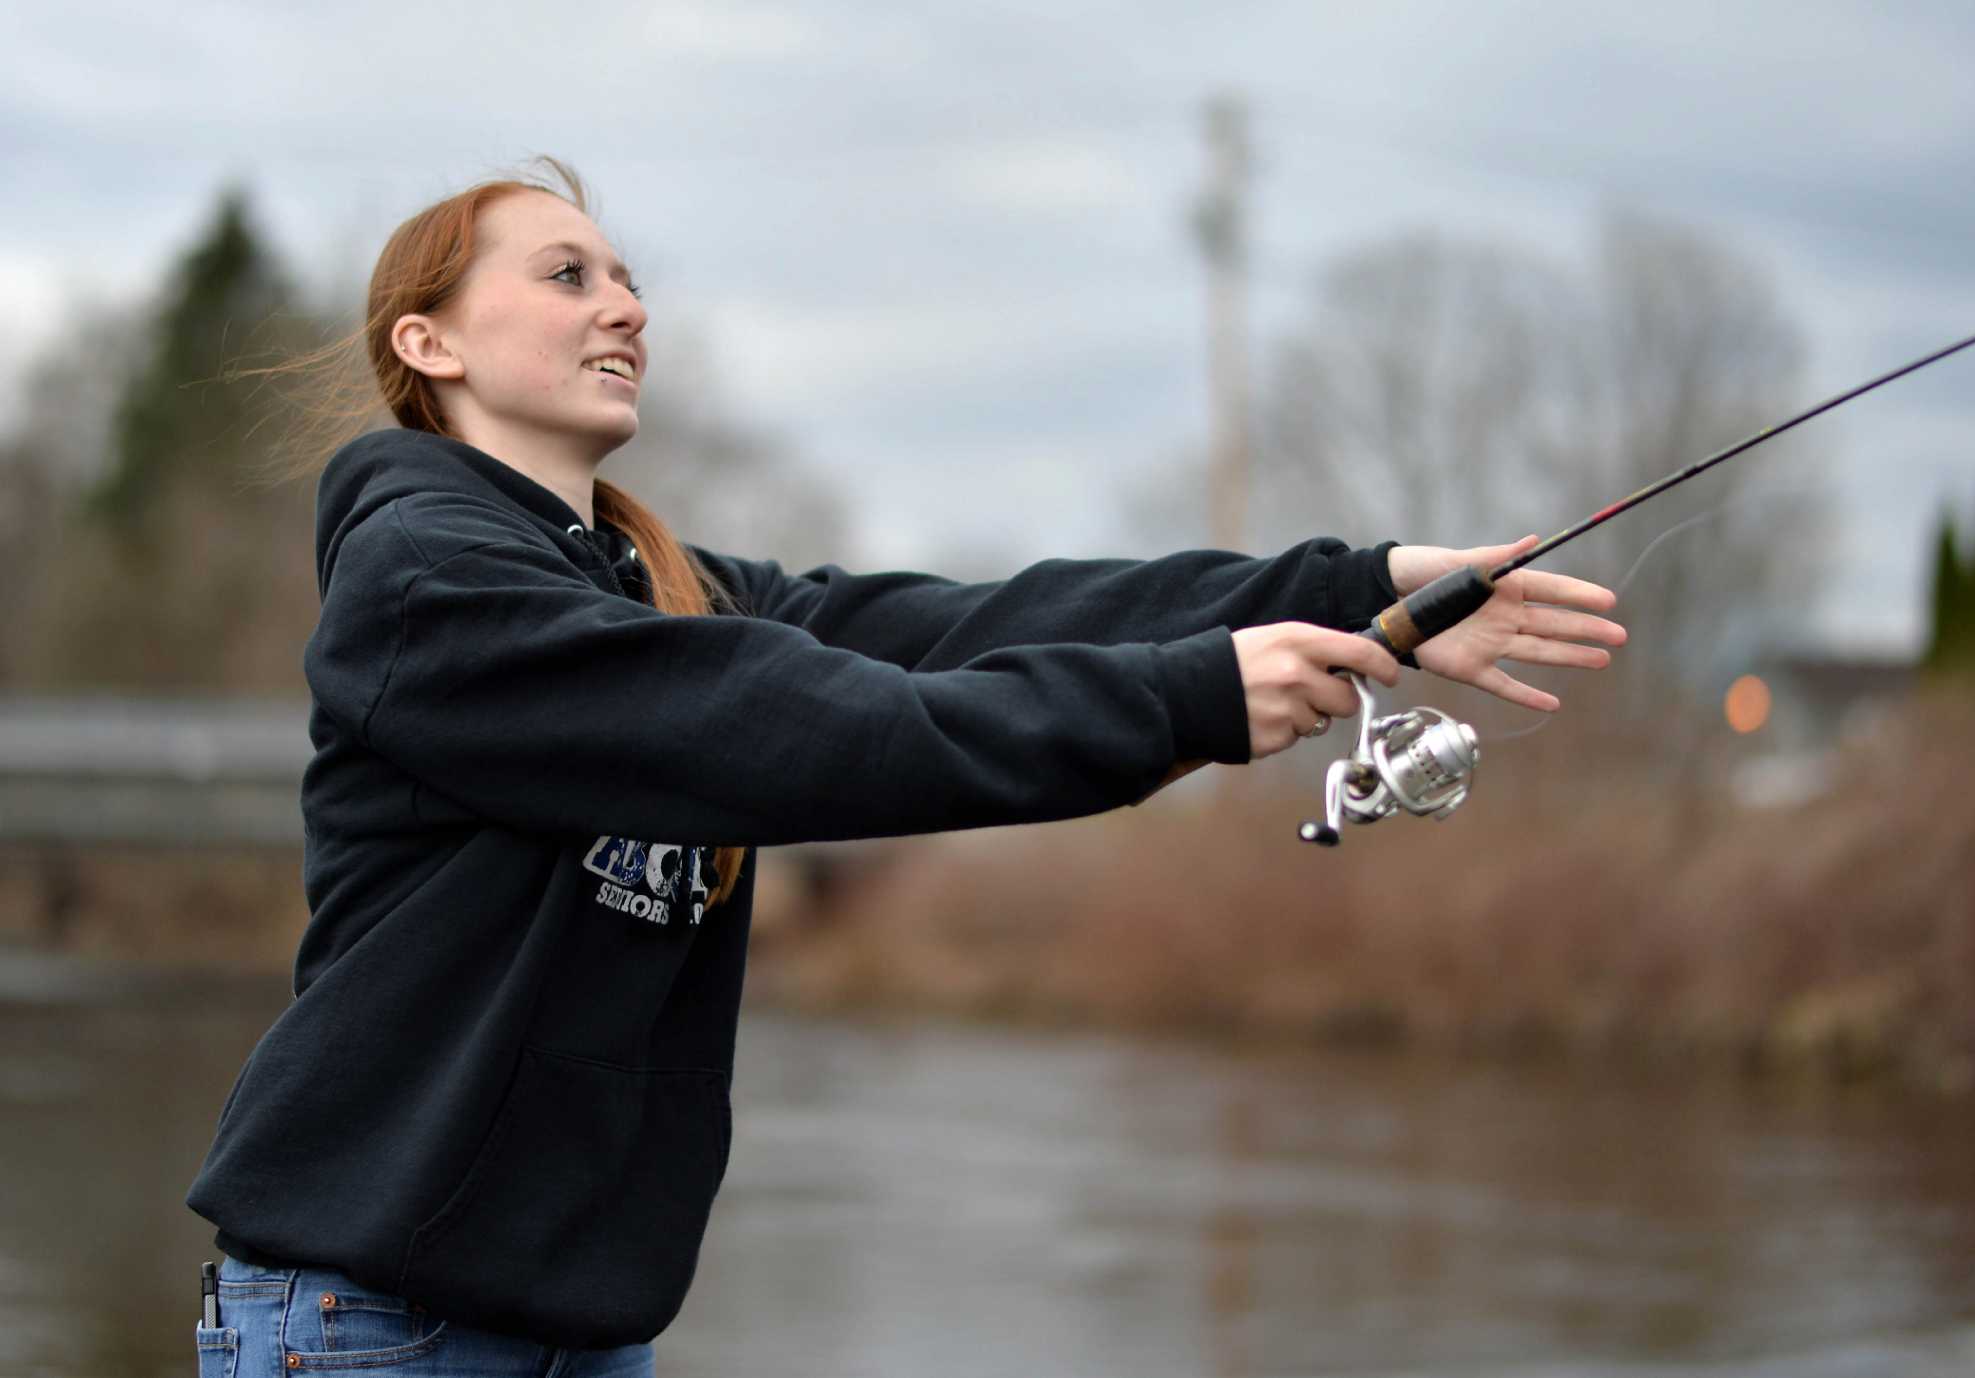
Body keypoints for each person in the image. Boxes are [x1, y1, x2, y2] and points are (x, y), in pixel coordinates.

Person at [186, 156, 1626, 1374]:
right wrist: (1184, 700)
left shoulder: (658, 582)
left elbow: (951, 631)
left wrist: (1357, 581)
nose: (624, 305)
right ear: (429, 344)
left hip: (573, 1327)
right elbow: (813, 723)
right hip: (368, 1320)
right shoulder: (428, 588)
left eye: (628, 280)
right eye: (567, 276)